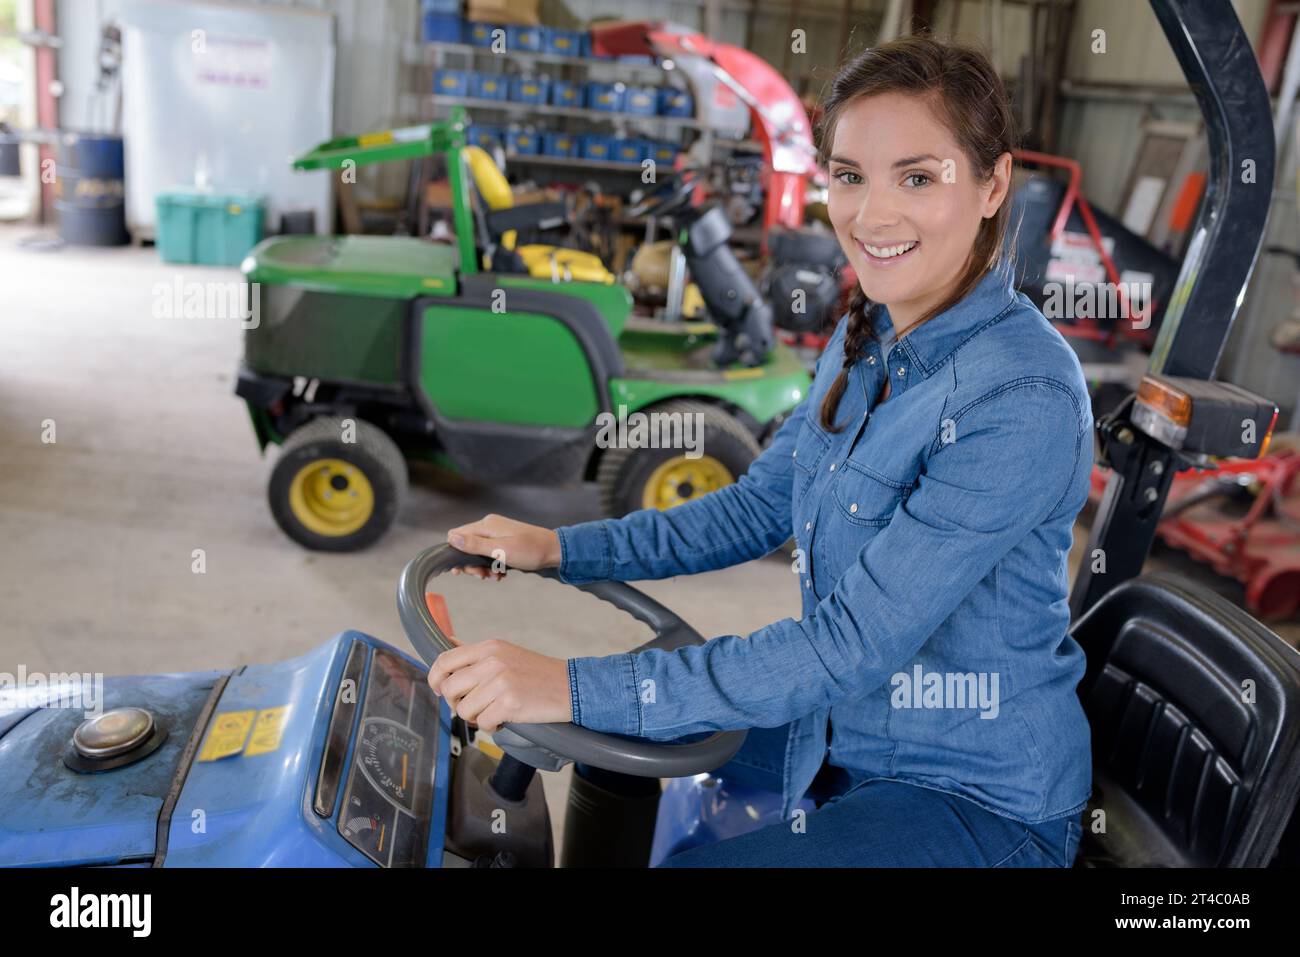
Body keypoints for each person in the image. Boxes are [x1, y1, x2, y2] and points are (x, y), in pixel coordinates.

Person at [426, 35, 1092, 867]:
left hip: (974, 790)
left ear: (991, 186)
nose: (871, 215)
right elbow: (755, 506)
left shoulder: (1021, 399)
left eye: (917, 177)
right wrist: (559, 548)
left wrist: (567, 681)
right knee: (602, 741)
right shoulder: (870, 334)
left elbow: (845, 643)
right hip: (844, 722)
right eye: (849, 176)